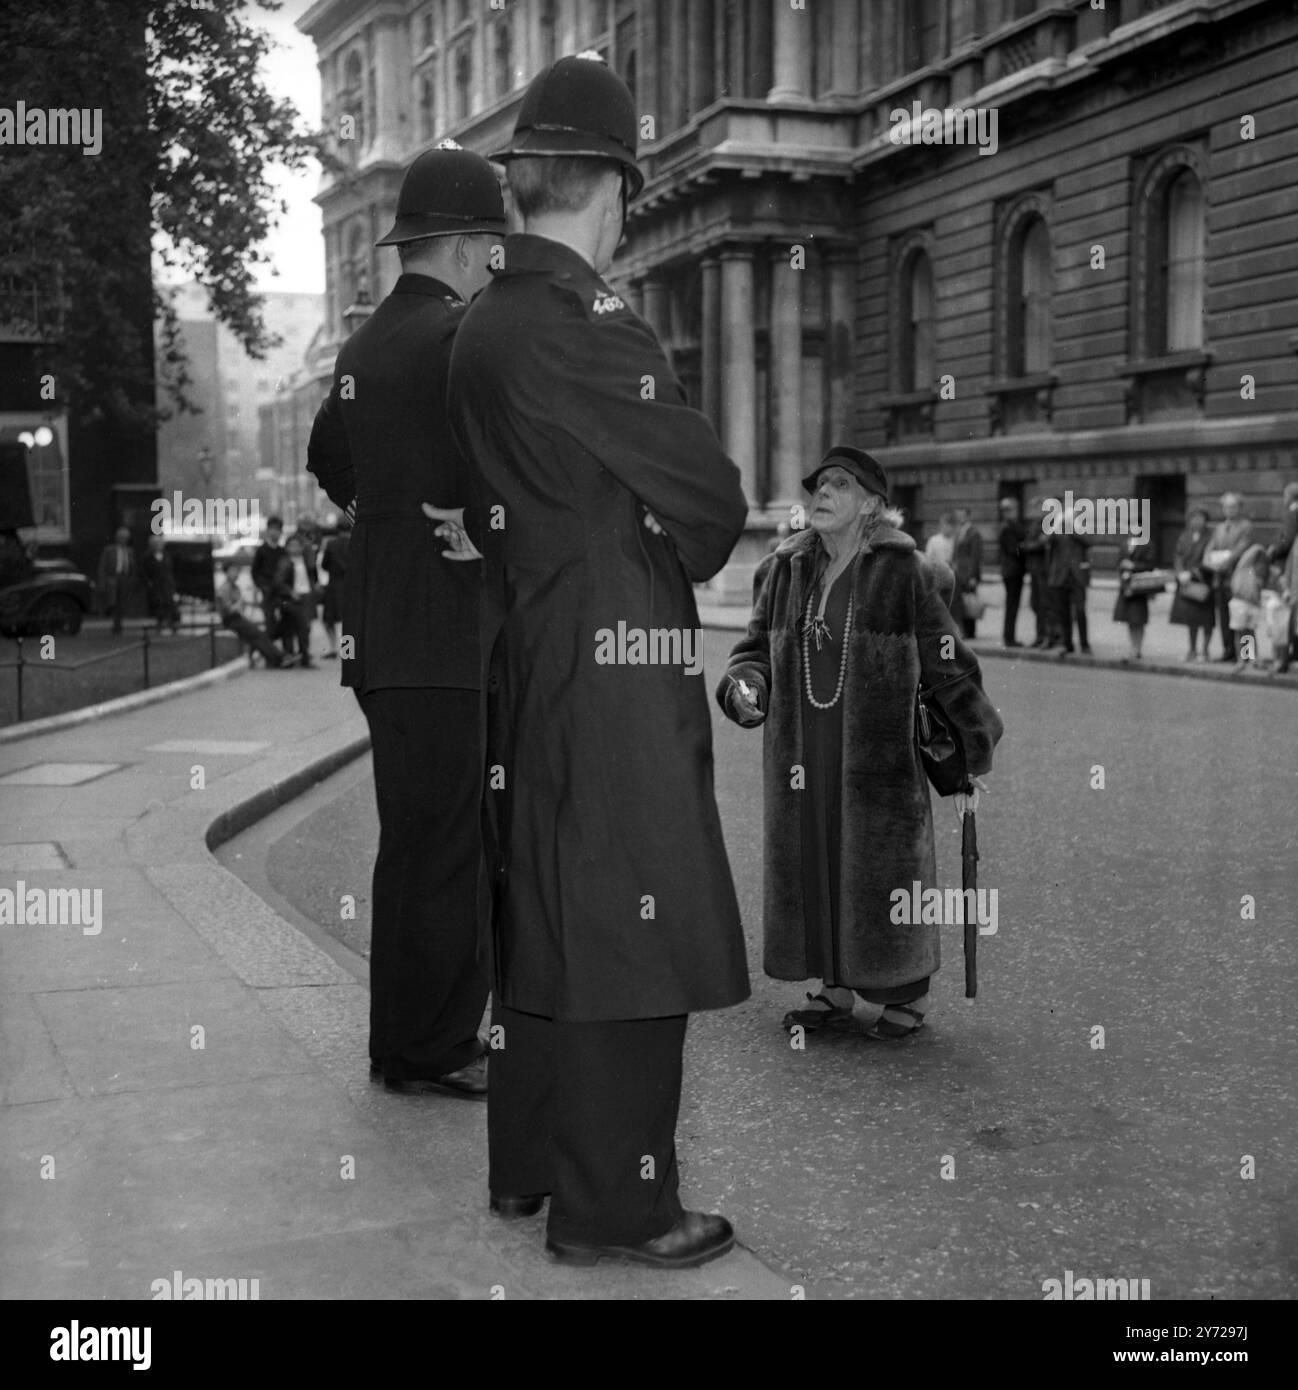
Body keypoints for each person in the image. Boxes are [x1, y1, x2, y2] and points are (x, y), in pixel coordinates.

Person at [445, 53, 750, 1270]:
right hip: (608, 661)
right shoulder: (580, 330)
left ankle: (529, 1166)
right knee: (632, 922)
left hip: (535, 650)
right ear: (617, 189)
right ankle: (619, 1208)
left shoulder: (486, 321)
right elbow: (714, 501)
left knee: (548, 916)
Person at [306, 140, 505, 1100]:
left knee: (412, 842)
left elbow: (325, 456)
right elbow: (504, 465)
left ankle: (403, 1042)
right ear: (465, 246)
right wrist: (471, 521)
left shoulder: (362, 345)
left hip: (384, 627)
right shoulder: (462, 336)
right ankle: (433, 1046)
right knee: (452, 848)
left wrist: (384, 514)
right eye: (492, 243)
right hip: (449, 631)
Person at [718, 448, 1003, 1042]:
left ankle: (904, 993)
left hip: (876, 759)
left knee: (881, 869)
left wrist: (974, 745)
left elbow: (949, 664)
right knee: (814, 863)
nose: (821, 493)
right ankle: (833, 987)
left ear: (872, 503)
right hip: (800, 755)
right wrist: (745, 685)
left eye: (839, 485)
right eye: (818, 484)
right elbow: (751, 652)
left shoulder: (906, 574)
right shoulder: (783, 569)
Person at [1205, 492, 1253, 662]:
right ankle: (1229, 651)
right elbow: (1209, 550)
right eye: (1226, 506)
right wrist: (1210, 563)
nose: (1229, 510)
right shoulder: (1219, 528)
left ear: (1240, 508)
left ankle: (1247, 654)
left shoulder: (1246, 527)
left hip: (1239, 579)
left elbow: (1241, 548)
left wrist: (1223, 563)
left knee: (1243, 617)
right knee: (1224, 617)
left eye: (1233, 506)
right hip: (1221, 579)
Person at [215, 559, 284, 667]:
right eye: (232, 571)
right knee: (256, 634)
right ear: (226, 572)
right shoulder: (224, 589)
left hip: (238, 618)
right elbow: (229, 609)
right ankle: (276, 657)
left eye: (237, 571)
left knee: (259, 634)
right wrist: (240, 602)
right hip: (231, 619)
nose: (236, 573)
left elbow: (242, 606)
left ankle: (276, 658)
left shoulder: (236, 588)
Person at [1170, 506, 1215, 661]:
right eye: (1193, 518)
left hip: (1204, 581)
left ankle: (1205, 650)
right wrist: (1180, 572)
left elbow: (1210, 558)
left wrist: (1193, 572)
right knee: (1191, 619)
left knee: (1207, 619)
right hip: (1186, 583)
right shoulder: (1185, 536)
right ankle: (1192, 650)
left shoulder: (1211, 536)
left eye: (1200, 518)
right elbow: (1178, 555)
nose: (1197, 521)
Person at [1046, 505, 1091, 656]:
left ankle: (1084, 644)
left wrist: (1074, 529)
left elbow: (1088, 541)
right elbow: (1047, 541)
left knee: (1080, 610)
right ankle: (1068, 644)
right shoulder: (1058, 532)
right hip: (1061, 576)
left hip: (1077, 576)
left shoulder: (1081, 529)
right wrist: (1056, 526)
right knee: (1063, 612)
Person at [1266, 482, 1298, 672]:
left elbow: (1285, 540)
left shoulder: (1292, 512)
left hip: (1287, 573)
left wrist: (1271, 551)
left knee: (1279, 617)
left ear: (1289, 497)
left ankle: (1280, 660)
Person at [1112, 535, 1156, 662]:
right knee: (1129, 619)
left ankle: (1138, 648)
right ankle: (1133, 647)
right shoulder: (1125, 543)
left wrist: (1133, 566)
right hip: (1126, 586)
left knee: (1139, 619)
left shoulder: (1148, 544)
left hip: (1139, 586)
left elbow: (1150, 565)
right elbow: (1119, 562)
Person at [1228, 541, 1270, 673]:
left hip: (1252, 604)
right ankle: (1241, 659)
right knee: (1240, 632)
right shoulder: (1244, 569)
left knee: (1249, 632)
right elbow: (1253, 553)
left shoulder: (1259, 571)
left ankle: (1251, 657)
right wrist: (1260, 548)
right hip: (1240, 602)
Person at [1020, 502, 1054, 647]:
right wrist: (1031, 545)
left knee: (1045, 605)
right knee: (1036, 603)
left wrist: (1031, 545)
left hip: (1045, 570)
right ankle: (1040, 635)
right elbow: (1029, 543)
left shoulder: (1051, 524)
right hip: (1035, 570)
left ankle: (1048, 636)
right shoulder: (1036, 524)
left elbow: (1038, 544)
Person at [252, 515, 286, 648]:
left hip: (281, 592)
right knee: (270, 622)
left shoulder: (282, 551)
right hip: (267, 592)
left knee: (285, 621)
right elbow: (255, 572)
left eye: (277, 529)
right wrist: (261, 586)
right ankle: (270, 653)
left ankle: (286, 651)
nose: (275, 532)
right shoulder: (262, 550)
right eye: (272, 529)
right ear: (268, 530)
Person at [318, 517, 350, 659]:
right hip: (350, 585)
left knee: (329, 619)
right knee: (349, 621)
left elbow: (324, 565)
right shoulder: (356, 543)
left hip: (334, 585)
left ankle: (332, 648)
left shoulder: (331, 544)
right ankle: (348, 651)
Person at [96, 526, 136, 635]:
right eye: (121, 537)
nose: (123, 539)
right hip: (113, 578)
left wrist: (131, 580)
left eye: (125, 537)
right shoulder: (109, 550)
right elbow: (102, 567)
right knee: (113, 602)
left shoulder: (130, 551)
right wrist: (102, 583)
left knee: (122, 603)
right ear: (117, 537)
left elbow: (133, 567)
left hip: (125, 579)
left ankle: (118, 624)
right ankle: (115, 623)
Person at [997, 496, 1026, 647]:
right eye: (1009, 510)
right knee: (1012, 605)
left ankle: (1009, 637)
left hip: (1012, 570)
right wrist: (1028, 546)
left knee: (1012, 605)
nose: (1012, 512)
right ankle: (1009, 638)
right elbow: (1013, 549)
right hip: (1012, 570)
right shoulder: (1007, 527)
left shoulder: (1010, 525)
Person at [951, 508, 983, 638]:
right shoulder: (959, 532)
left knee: (970, 601)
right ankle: (963, 630)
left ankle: (970, 631)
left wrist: (973, 576)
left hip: (968, 573)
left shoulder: (974, 533)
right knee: (960, 602)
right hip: (958, 573)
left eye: (962, 516)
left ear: (968, 517)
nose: (960, 518)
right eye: (958, 516)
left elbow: (976, 556)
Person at [141, 535, 180, 635]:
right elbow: (144, 572)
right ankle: (160, 625)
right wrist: (149, 582)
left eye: (160, 544)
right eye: (156, 544)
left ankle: (173, 625)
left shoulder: (167, 555)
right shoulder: (147, 557)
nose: (158, 545)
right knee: (159, 605)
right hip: (156, 585)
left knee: (171, 604)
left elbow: (170, 570)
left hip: (168, 584)